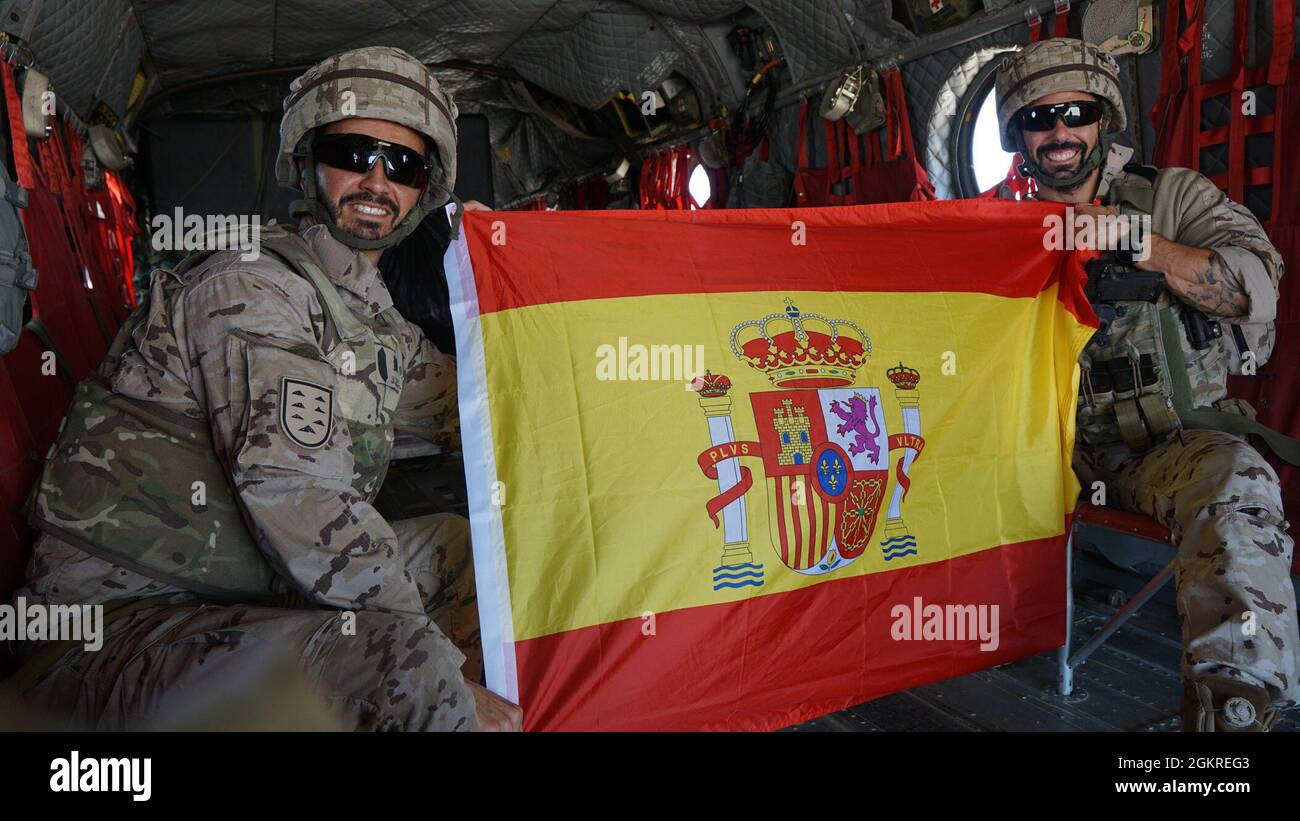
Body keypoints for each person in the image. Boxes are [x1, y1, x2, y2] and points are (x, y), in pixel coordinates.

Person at [12, 45, 521, 732]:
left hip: (237, 597)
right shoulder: (250, 289)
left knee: (455, 552)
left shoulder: (364, 310)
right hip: (118, 628)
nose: (377, 179)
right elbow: (302, 498)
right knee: (401, 664)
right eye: (353, 152)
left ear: (424, 190)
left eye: (403, 164)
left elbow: (472, 405)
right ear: (307, 163)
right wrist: (443, 677)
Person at [995, 37, 1298, 731]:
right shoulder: (994, 224)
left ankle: (1231, 715)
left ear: (1105, 118)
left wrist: (1140, 243)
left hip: (1172, 441)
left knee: (1239, 486)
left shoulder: (1171, 196)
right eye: (1039, 120)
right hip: (1046, 452)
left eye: (1076, 111)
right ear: (1019, 137)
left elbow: (1258, 287)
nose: (1060, 132)